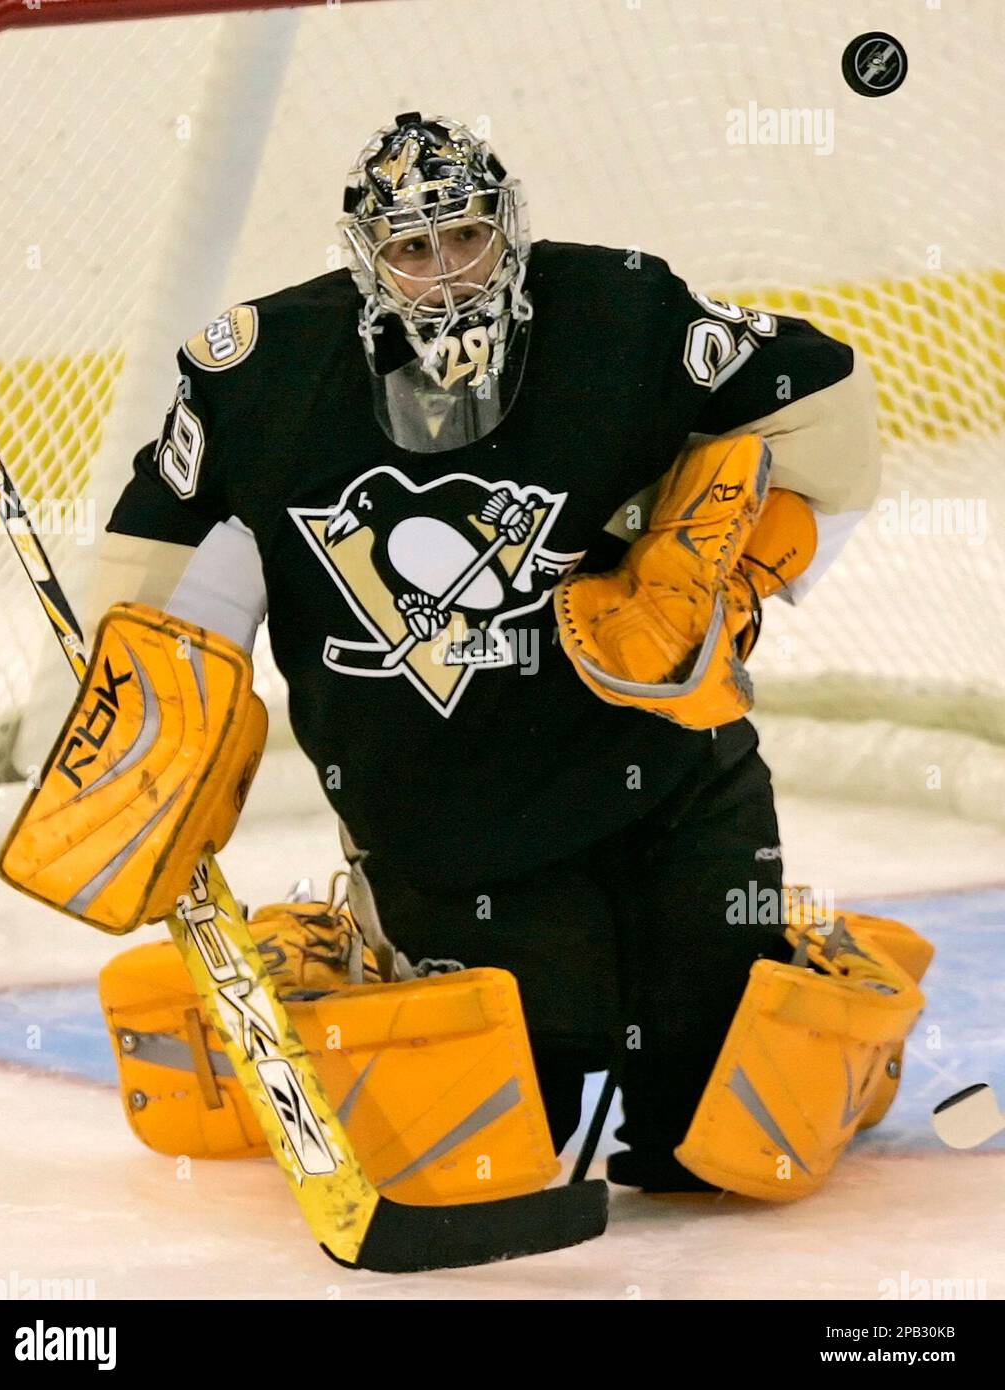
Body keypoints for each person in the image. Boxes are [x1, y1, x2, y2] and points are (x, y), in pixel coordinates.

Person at [101, 112, 890, 1193]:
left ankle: (795, 973)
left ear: (507, 233)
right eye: (411, 250)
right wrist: (151, 725)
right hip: (447, 826)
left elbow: (829, 408)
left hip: (662, 779)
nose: (443, 276)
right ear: (366, 259)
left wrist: (732, 586)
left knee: (711, 1144)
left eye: (463, 237)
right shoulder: (262, 373)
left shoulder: (622, 313)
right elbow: (167, 574)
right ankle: (350, 939)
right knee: (525, 1140)